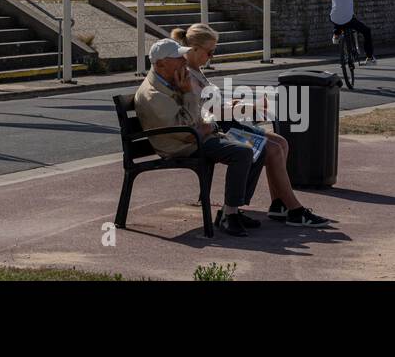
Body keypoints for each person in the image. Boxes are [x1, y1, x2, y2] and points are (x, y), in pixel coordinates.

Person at [134, 24, 330, 237]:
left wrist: (209, 119)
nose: (184, 59)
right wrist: (207, 114)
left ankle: (247, 209)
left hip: (202, 133)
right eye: (180, 57)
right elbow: (188, 125)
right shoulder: (164, 89)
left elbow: (201, 113)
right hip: (188, 141)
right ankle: (254, 211)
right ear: (162, 64)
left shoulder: (174, 77)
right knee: (250, 150)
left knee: (265, 147)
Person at [320, 0, 375, 64]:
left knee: (336, 19)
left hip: (334, 18)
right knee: (367, 31)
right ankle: (369, 58)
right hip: (349, 19)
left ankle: (336, 34)